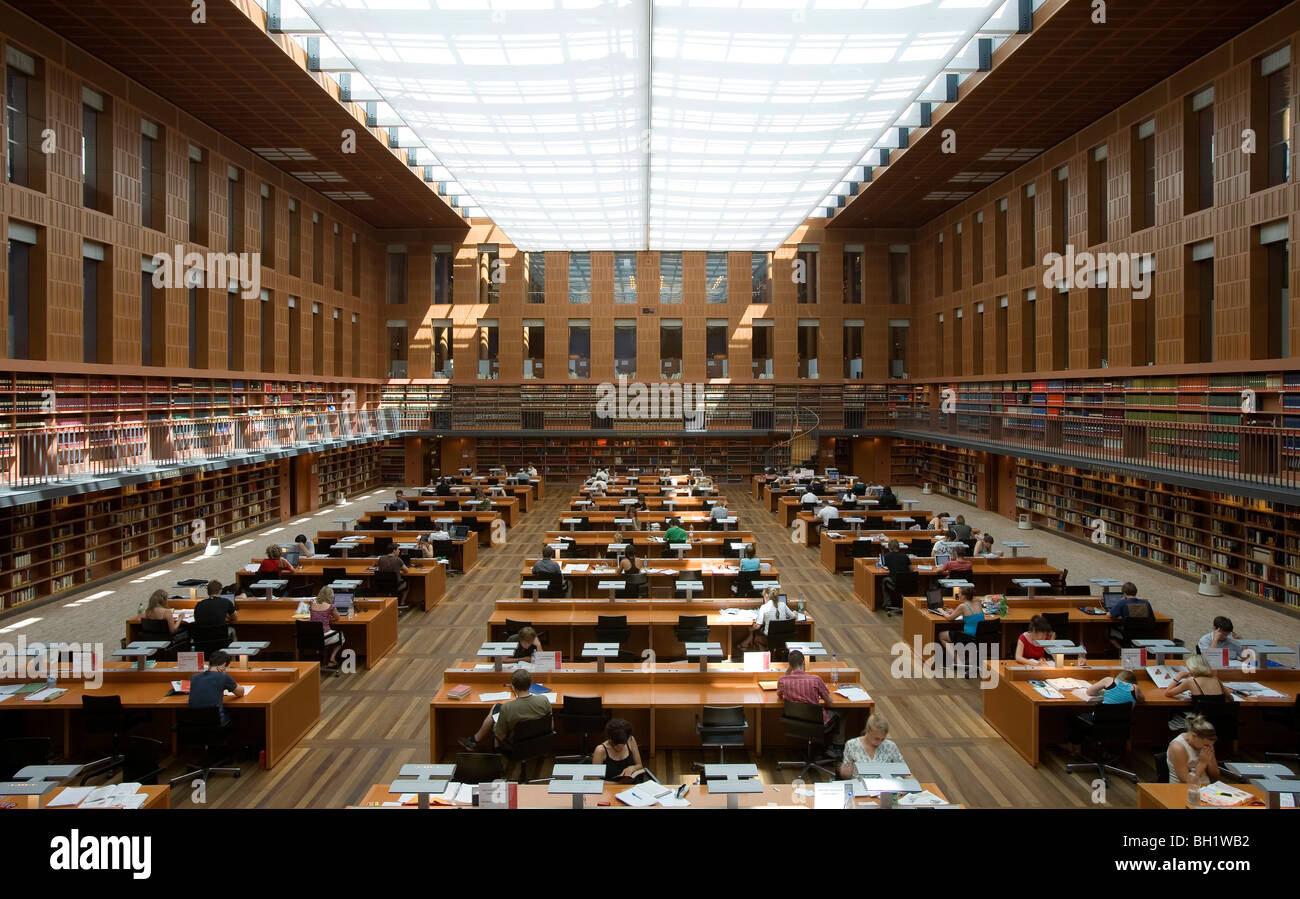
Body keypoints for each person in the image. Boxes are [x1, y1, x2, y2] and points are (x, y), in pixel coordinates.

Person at [458, 668, 552, 752]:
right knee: (497, 708)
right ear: (530, 684)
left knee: (497, 721)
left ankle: (495, 756)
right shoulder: (544, 700)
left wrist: (496, 724)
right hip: (539, 741)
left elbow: (500, 736)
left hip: (515, 744)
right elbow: (551, 726)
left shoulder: (507, 707)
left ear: (513, 687)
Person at [777, 650, 842, 746]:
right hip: (817, 723)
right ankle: (837, 745)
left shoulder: (783, 681)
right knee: (842, 712)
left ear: (790, 665)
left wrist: (789, 670)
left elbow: (779, 695)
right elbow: (830, 703)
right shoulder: (815, 680)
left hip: (795, 724)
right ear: (803, 662)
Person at [187, 650, 246, 726]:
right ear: (224, 664)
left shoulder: (194, 677)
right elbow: (240, 692)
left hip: (193, 723)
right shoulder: (224, 676)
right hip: (215, 722)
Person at [838, 714, 905, 778]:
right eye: (876, 738)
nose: (879, 742)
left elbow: (904, 771)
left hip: (885, 786)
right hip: (860, 785)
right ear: (867, 731)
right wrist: (844, 773)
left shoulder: (890, 746)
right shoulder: (852, 745)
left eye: (882, 739)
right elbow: (845, 774)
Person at [1166, 714, 1219, 785]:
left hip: (1205, 788)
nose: (1209, 747)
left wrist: (1210, 760)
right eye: (1206, 745)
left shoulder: (1207, 745)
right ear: (1194, 736)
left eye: (1211, 745)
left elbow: (1215, 777)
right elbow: (1186, 781)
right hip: (1182, 789)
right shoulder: (1178, 747)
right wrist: (1202, 763)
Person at [307, 586, 344, 668]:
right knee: (341, 636)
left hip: (311, 636)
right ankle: (332, 658)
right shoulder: (331, 607)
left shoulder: (312, 605)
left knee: (329, 636)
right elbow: (337, 617)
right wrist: (329, 618)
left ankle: (325, 658)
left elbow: (316, 616)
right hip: (324, 637)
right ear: (330, 596)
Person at [937, 585, 983, 649]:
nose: (958, 595)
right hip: (980, 635)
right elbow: (971, 616)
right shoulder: (978, 603)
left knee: (941, 635)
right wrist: (954, 612)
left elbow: (949, 618)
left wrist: (941, 610)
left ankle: (957, 659)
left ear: (963, 596)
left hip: (968, 636)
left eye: (959, 593)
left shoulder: (963, 606)